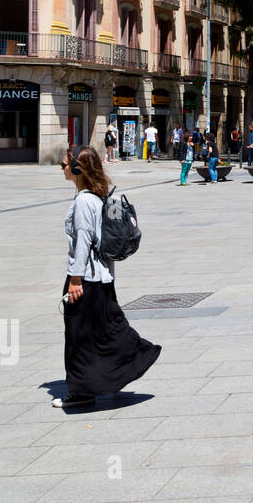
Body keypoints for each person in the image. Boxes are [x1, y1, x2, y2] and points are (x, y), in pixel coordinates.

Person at [56, 145, 161, 408]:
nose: (62, 168)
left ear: (79, 168)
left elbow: (83, 241)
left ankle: (82, 392)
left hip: (86, 279)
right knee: (105, 330)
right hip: (103, 278)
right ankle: (131, 359)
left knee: (79, 337)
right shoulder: (97, 197)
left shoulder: (83, 201)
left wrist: (75, 279)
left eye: (65, 164)